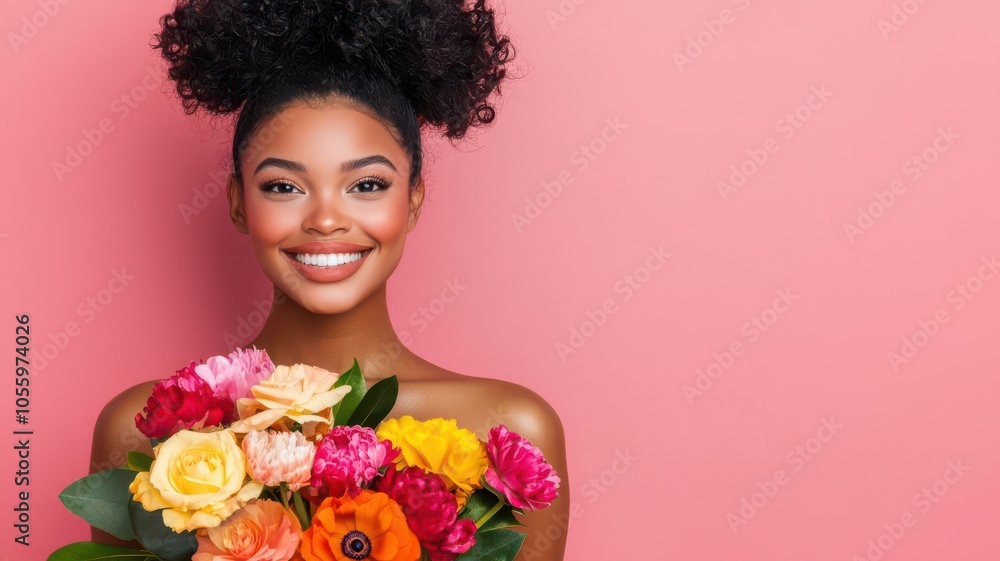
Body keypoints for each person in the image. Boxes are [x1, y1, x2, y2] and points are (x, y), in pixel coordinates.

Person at [88, 0, 569, 559]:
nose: (324, 219)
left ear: (413, 200)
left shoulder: (513, 434)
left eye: (366, 185)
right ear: (238, 203)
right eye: (283, 187)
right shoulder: (143, 430)